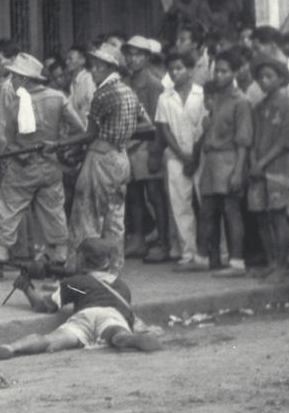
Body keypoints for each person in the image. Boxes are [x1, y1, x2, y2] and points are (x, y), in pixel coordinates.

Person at [0, 238, 163, 360]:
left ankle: (12, 347)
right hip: (111, 317)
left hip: (84, 317)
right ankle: (123, 339)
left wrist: (25, 287)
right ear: (105, 262)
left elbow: (43, 306)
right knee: (115, 332)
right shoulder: (121, 286)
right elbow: (124, 313)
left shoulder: (76, 282)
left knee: (48, 340)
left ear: (81, 259)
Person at [0, 53, 83, 275]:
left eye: (16, 76)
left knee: (10, 210)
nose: (13, 80)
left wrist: (5, 157)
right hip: (50, 166)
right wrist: (60, 145)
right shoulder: (58, 98)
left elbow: (4, 139)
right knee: (54, 210)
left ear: (26, 80)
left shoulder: (15, 104)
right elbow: (79, 129)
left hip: (21, 168)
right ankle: (59, 259)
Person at [245, 54, 289, 287]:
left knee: (278, 216)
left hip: (279, 169)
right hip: (259, 169)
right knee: (261, 214)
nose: (264, 81)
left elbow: (285, 143)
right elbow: (253, 137)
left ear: (281, 79)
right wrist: (254, 160)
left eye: (269, 76)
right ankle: (272, 261)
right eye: (261, 77)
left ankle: (284, 264)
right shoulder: (258, 108)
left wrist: (262, 162)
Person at [71, 43, 142, 266]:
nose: (93, 71)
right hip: (121, 156)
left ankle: (81, 268)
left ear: (107, 67)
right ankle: (114, 267)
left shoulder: (102, 94)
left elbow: (89, 134)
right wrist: (123, 131)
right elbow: (146, 124)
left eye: (96, 67)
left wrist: (60, 143)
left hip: (101, 155)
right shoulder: (128, 91)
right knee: (115, 217)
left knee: (88, 215)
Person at [197, 51, 255, 275]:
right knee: (207, 211)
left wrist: (238, 171)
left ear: (234, 73)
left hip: (230, 160)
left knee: (232, 211)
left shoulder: (241, 101)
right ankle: (203, 258)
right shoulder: (217, 98)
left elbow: (243, 140)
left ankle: (237, 262)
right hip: (212, 162)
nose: (219, 75)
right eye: (217, 71)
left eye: (224, 71)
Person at [155, 50, 209, 269]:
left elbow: (206, 127)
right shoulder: (164, 97)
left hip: (201, 154)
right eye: (171, 69)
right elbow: (164, 129)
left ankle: (217, 252)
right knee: (180, 205)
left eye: (179, 68)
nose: (175, 73)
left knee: (208, 203)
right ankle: (189, 253)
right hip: (177, 155)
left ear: (189, 69)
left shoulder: (202, 94)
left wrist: (194, 156)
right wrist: (181, 155)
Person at [120, 36, 170, 262]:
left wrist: (155, 152)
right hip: (128, 146)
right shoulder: (125, 83)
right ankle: (138, 239)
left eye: (138, 54)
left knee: (155, 195)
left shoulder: (154, 85)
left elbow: (157, 122)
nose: (133, 59)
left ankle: (164, 241)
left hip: (147, 145)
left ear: (147, 58)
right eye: (129, 54)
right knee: (134, 196)